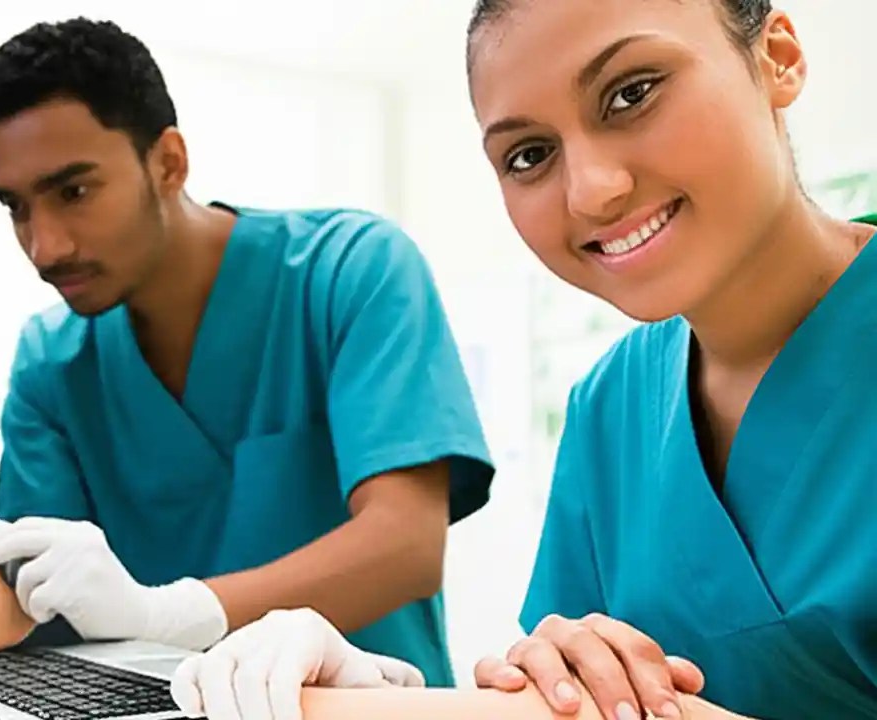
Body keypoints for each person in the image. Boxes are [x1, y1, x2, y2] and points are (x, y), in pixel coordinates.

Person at [168, 1, 877, 718]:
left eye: (632, 93)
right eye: (530, 155)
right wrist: (380, 697)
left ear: (777, 58)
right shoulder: (612, 405)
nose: (592, 191)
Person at [0, 14, 494, 690]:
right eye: (16, 207)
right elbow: (33, 607)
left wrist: (166, 615)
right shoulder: (52, 363)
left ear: (168, 163)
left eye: (74, 192)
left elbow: (405, 546)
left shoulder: (350, 272)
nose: (45, 246)